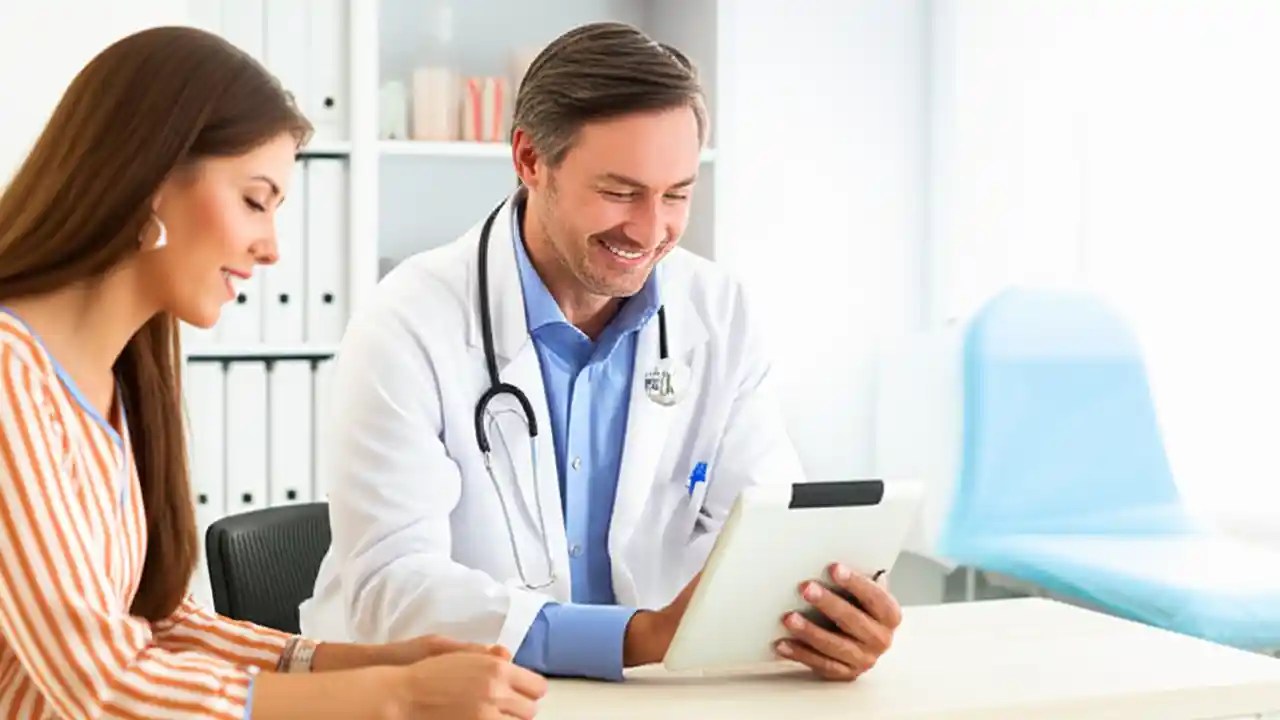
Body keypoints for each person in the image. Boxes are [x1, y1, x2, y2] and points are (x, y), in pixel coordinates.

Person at [299, 21, 903, 683]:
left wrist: (824, 619)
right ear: (531, 160)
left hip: (649, 694)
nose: (651, 231)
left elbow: (773, 528)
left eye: (676, 194)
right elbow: (394, 589)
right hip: (440, 694)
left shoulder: (716, 311)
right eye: (620, 192)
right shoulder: (407, 321)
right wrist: (633, 638)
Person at [0, 26, 546, 720]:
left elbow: (155, 625)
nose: (270, 249)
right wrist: (394, 695)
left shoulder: (112, 383)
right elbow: (102, 683)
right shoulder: (10, 377)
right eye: (255, 200)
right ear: (152, 178)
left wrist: (353, 659)